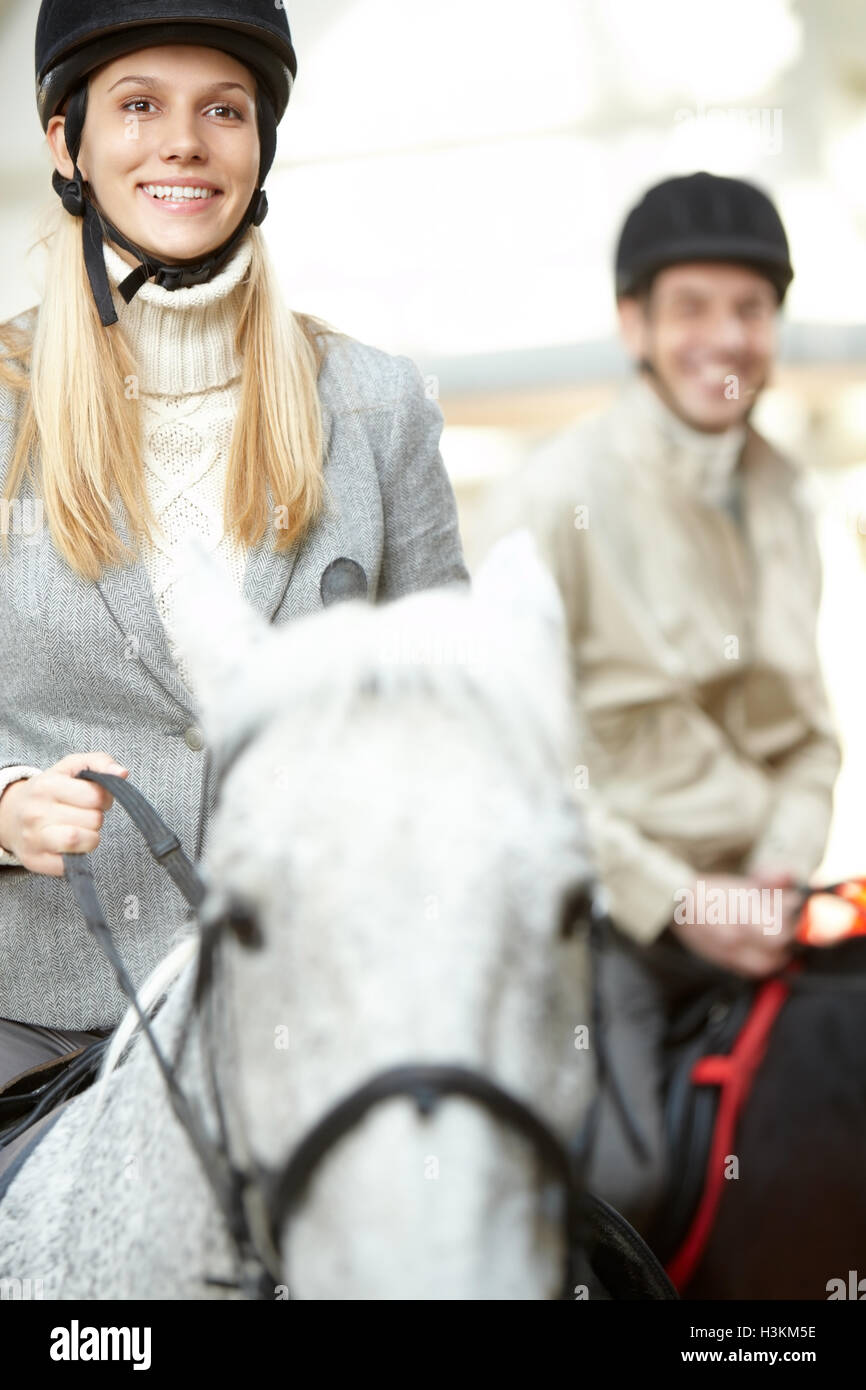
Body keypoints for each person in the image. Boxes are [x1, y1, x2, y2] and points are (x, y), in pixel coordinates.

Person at [0, 1, 469, 1126]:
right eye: (138, 106)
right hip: (43, 1012)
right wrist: (3, 806)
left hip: (317, 1005)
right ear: (67, 142)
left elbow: (449, 719)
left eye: (223, 108)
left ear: (258, 144)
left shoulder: (375, 402)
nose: (183, 141)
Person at [478, 172, 841, 1234]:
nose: (722, 338)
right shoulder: (549, 501)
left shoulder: (783, 491)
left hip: (764, 907)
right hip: (607, 921)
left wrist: (772, 871)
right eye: (690, 308)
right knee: (618, 1183)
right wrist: (684, 899)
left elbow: (808, 741)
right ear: (631, 322)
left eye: (748, 308)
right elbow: (507, 765)